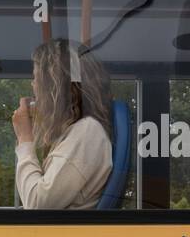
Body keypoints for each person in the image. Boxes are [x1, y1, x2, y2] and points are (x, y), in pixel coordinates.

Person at [11, 39, 113, 209]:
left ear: (52, 86)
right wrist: (37, 128)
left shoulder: (87, 132)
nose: (32, 84)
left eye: (36, 78)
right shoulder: (76, 133)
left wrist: (24, 139)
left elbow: (37, 204)